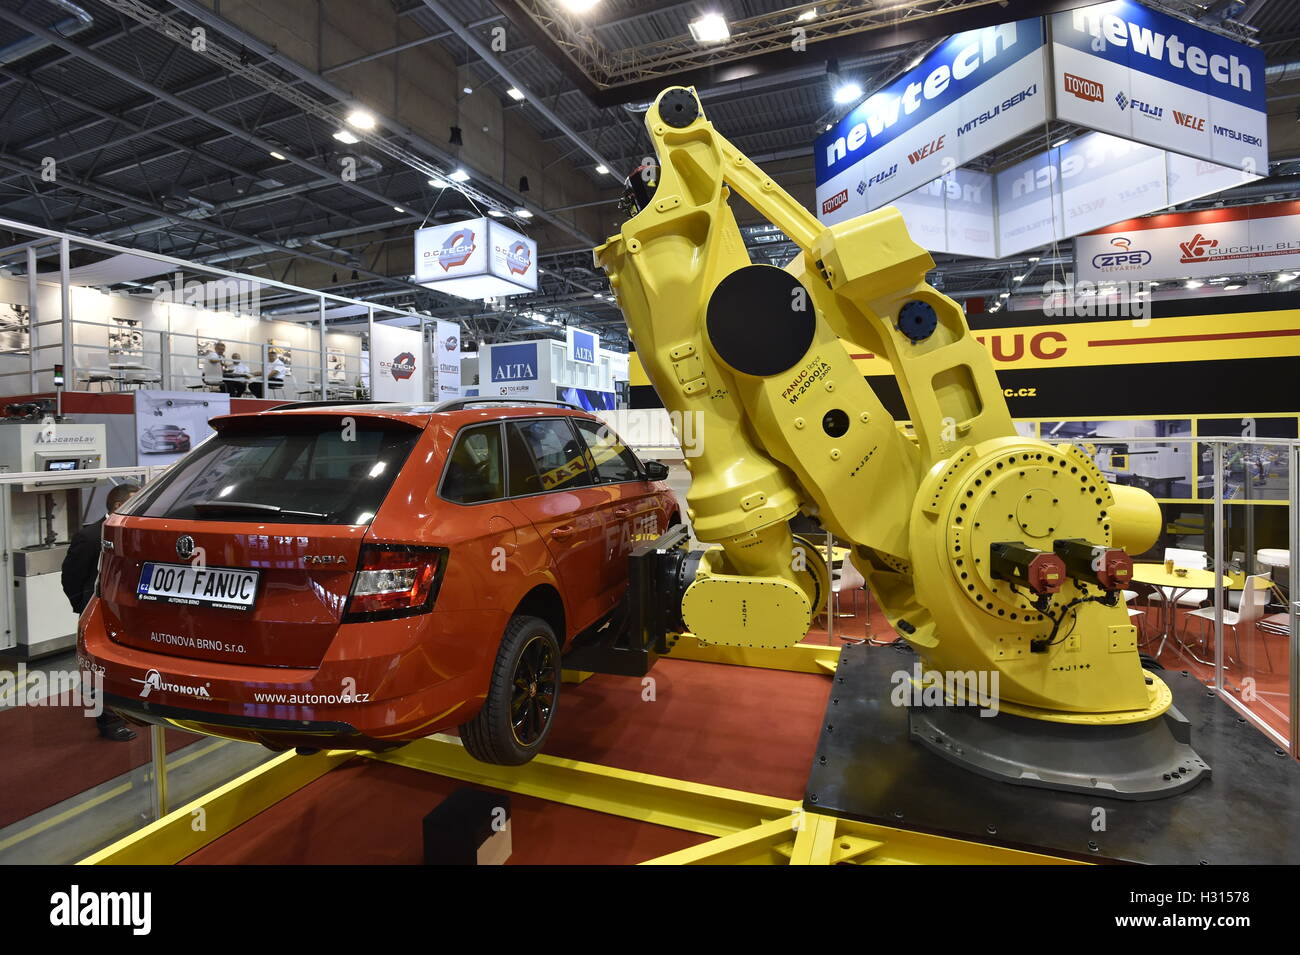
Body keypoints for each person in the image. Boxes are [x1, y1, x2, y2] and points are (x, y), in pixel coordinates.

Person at [62, 482, 140, 742]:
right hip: (99, 610)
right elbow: (71, 577)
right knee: (97, 668)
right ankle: (108, 722)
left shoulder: (136, 534)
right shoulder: (90, 536)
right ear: (118, 506)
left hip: (127, 612)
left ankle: (128, 710)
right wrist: (84, 608)